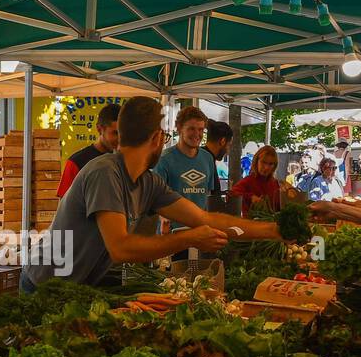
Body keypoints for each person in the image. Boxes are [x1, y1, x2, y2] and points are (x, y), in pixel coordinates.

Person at [19, 96, 281, 292]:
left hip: (76, 287)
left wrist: (273, 230)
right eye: (165, 136)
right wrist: (188, 238)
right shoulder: (105, 172)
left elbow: (205, 218)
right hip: (43, 285)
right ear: (156, 138)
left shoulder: (148, 183)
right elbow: (120, 247)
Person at [154, 106, 216, 235]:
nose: (197, 134)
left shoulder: (208, 158)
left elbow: (206, 195)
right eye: (191, 129)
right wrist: (163, 218)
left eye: (200, 130)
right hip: (172, 233)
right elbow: (154, 199)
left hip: (199, 232)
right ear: (179, 128)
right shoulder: (164, 160)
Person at [57, 103, 119, 198]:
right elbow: (63, 206)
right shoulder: (76, 162)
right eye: (115, 133)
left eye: (123, 133)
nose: (119, 138)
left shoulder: (124, 161)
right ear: (99, 129)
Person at [232, 145, 281, 212]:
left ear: (274, 166)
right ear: (256, 161)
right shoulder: (248, 181)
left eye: (271, 164)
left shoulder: (275, 184)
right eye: (263, 162)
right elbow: (231, 194)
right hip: (251, 221)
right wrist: (250, 197)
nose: (266, 167)